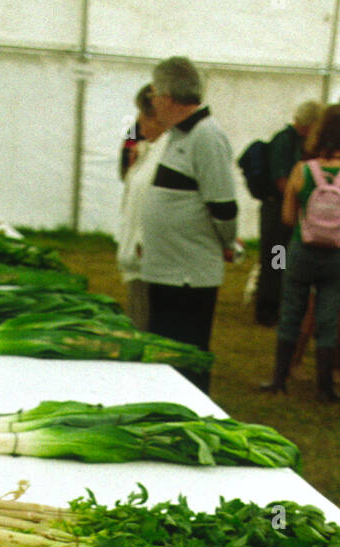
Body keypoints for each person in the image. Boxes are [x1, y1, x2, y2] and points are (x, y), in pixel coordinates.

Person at [139, 56, 239, 394]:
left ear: (167, 96)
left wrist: (227, 243)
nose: (151, 102)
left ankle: (189, 415)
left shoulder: (206, 136)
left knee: (185, 358)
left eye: (153, 94)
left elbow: (224, 207)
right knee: (166, 357)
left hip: (188, 278)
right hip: (167, 272)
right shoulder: (179, 135)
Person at [261, 105, 340, 402]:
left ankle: (279, 379)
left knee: (291, 311)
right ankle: (325, 387)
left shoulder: (302, 170)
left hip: (302, 250)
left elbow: (286, 218)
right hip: (336, 256)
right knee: (328, 318)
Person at [255, 99, 322, 326]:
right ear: (310, 123)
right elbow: (282, 179)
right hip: (276, 211)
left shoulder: (296, 141)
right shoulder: (284, 141)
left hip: (286, 210)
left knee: (282, 262)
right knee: (276, 261)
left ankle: (278, 305)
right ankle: (268, 309)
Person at [116, 85, 169, 329]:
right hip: (139, 256)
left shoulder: (169, 152)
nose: (138, 121)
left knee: (145, 321)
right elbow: (125, 175)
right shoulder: (137, 138)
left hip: (149, 256)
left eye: (144, 116)